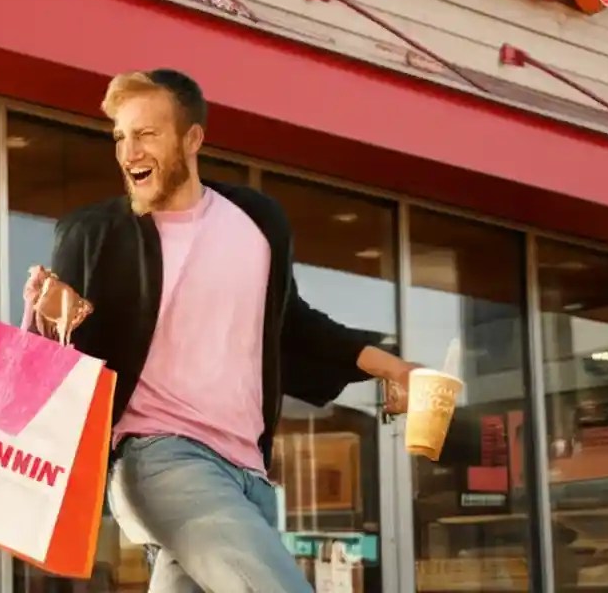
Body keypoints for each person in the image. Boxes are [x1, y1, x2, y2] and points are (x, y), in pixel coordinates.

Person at [23, 69, 417, 593]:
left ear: (192, 139)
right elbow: (60, 364)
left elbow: (289, 323)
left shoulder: (256, 223)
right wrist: (50, 317)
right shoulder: (95, 234)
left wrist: (388, 364)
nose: (129, 152)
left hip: (250, 475)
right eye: (120, 137)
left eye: (146, 134)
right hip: (161, 460)